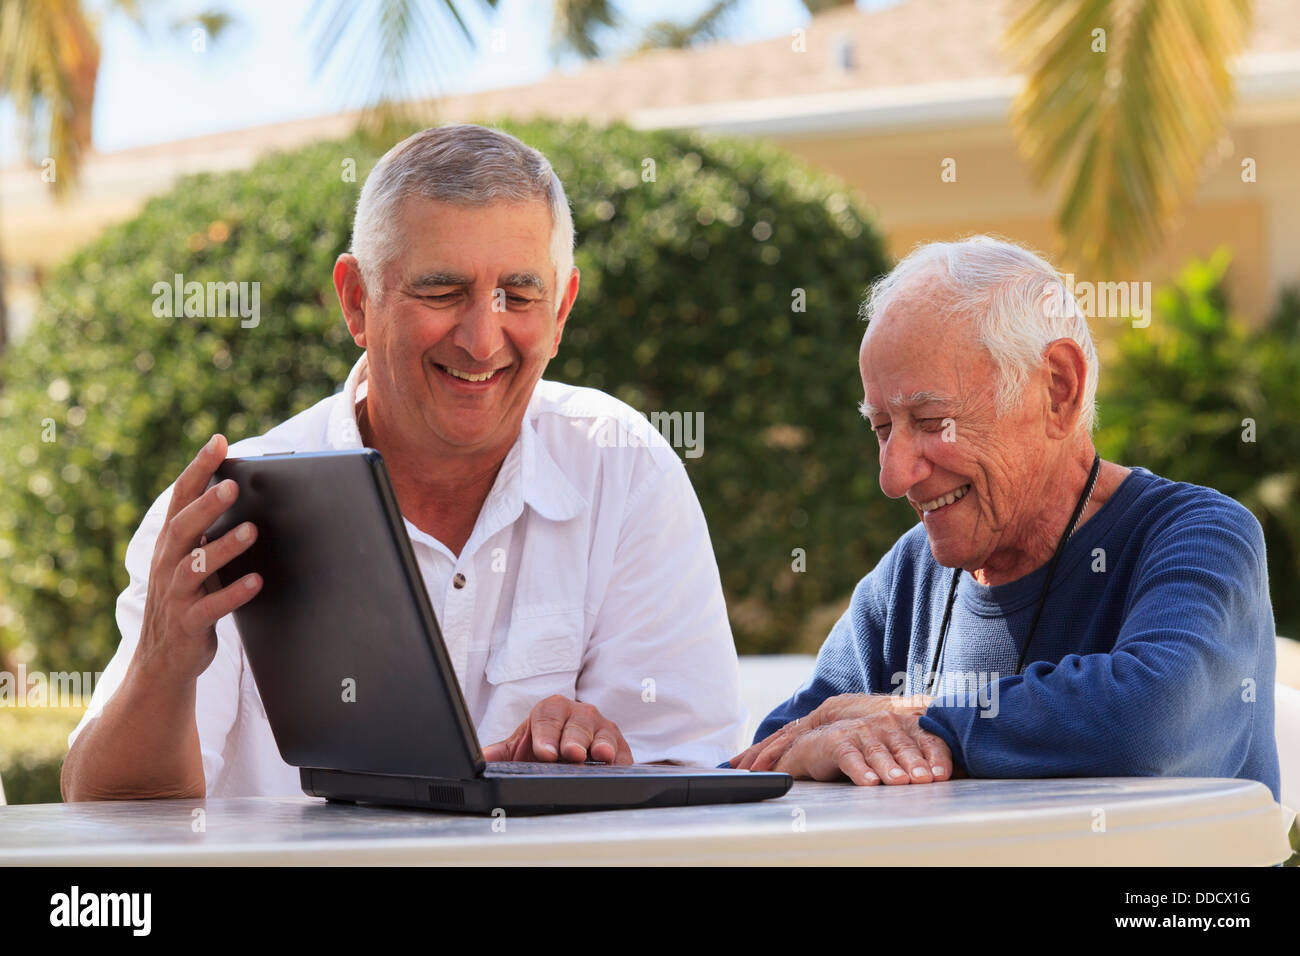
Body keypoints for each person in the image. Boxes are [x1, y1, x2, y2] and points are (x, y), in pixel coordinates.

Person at [62, 124, 745, 800]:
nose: (482, 340)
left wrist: (579, 770)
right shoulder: (229, 509)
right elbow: (111, 810)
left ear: (561, 311)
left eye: (520, 293)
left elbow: (686, 781)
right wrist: (161, 666)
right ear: (358, 301)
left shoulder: (622, 467)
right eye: (442, 291)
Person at [732, 235, 1281, 802]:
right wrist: (830, 748)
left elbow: (1155, 715)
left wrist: (916, 719)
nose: (893, 477)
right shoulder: (909, 575)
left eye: (930, 420)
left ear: (1057, 390)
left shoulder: (1197, 534)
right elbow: (777, 752)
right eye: (882, 428)